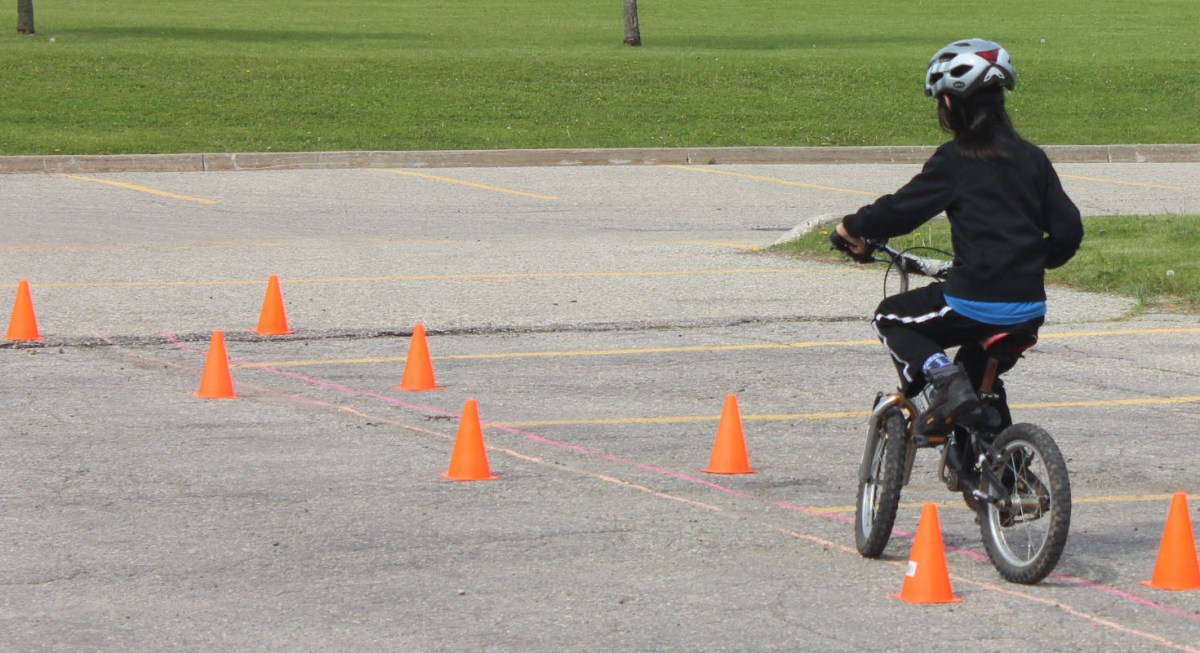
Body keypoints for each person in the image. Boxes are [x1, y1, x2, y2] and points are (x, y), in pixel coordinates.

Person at [831, 38, 1084, 435]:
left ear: (949, 103)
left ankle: (942, 380)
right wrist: (1030, 259)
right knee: (980, 381)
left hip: (972, 303)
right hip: (1028, 309)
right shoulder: (1032, 157)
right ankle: (1007, 476)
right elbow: (1069, 232)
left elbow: (901, 211)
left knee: (889, 316)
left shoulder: (957, 159)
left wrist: (852, 227)